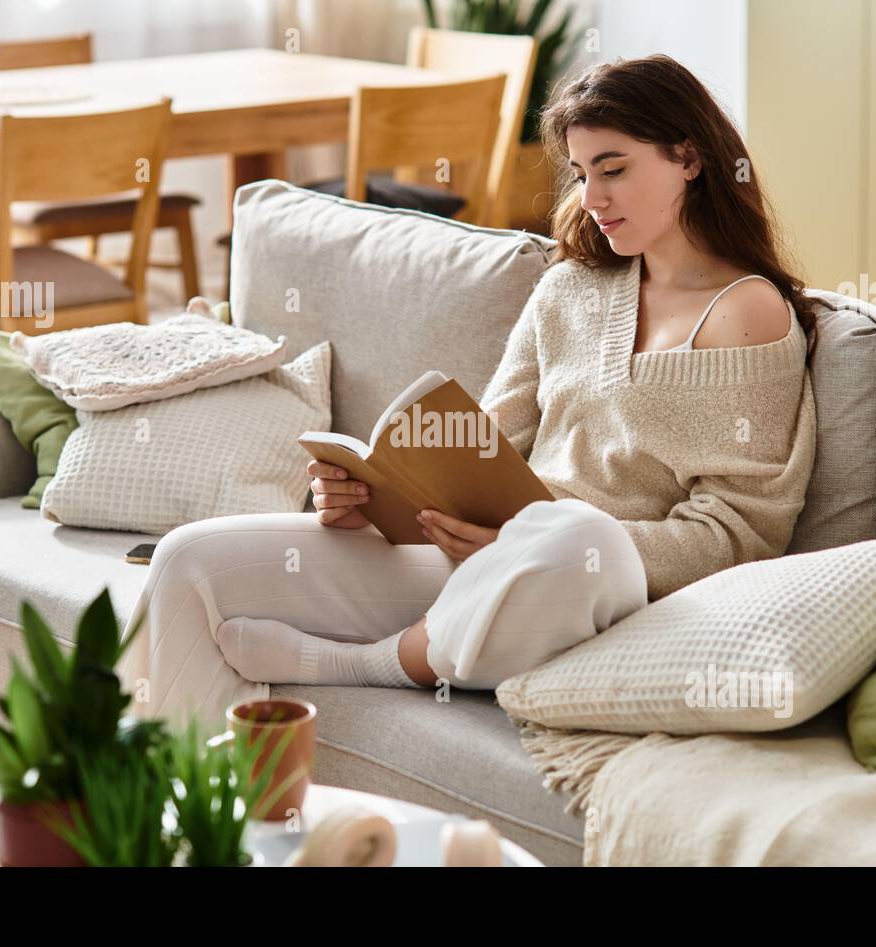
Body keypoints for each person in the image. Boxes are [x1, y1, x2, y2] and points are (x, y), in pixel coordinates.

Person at [121, 54, 823, 726]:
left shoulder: (745, 312)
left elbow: (741, 536)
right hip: (473, 567)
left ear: (690, 159)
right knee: (190, 559)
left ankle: (377, 664)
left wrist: (526, 537)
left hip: (598, 585)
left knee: (580, 535)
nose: (593, 199)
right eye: (580, 175)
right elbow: (480, 448)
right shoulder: (569, 288)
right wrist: (374, 497)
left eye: (614, 170)